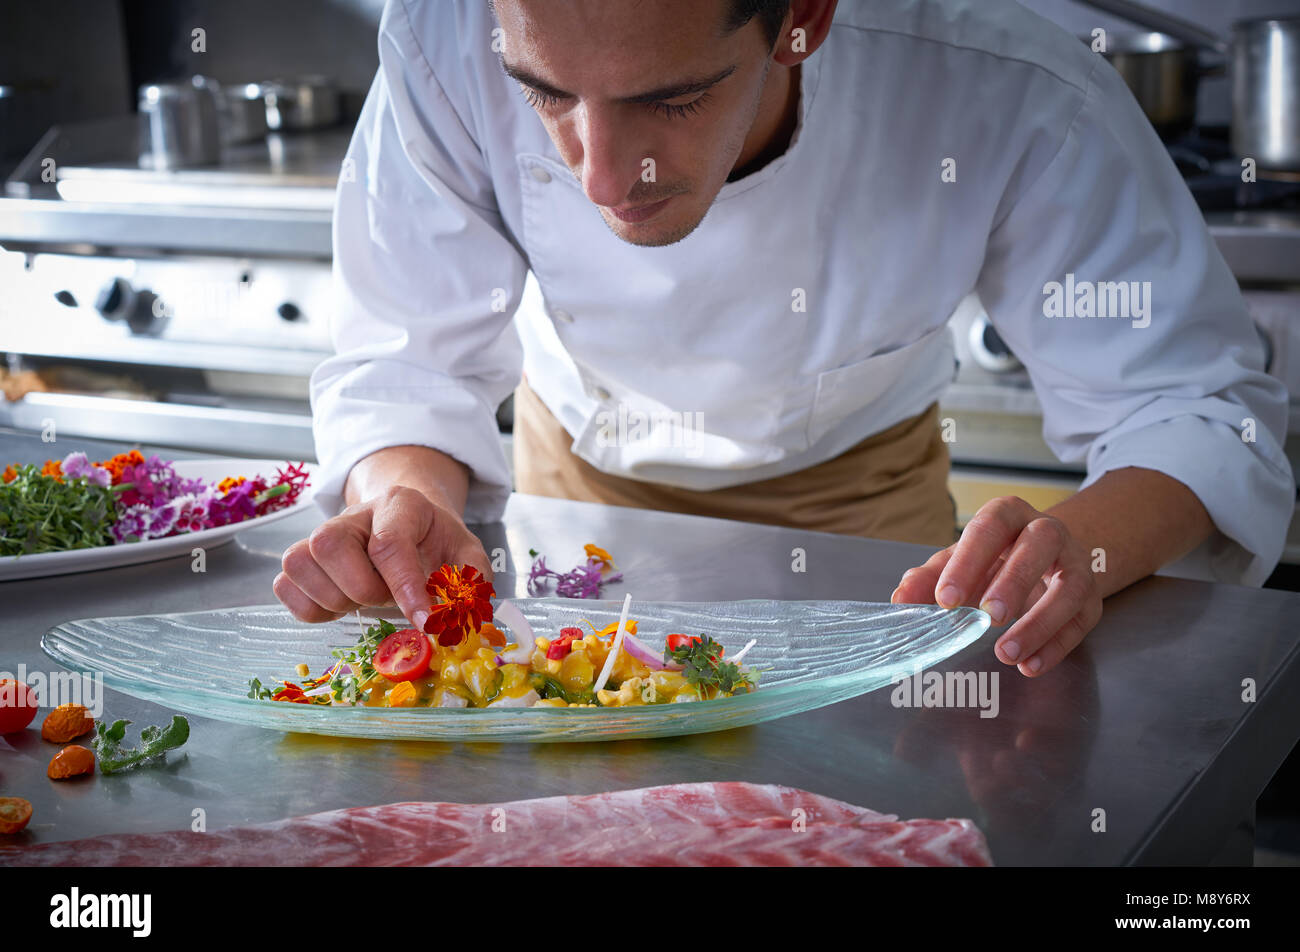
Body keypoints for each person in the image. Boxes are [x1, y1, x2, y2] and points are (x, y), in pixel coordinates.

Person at [275, 0, 1292, 678]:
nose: (598, 177)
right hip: (571, 526)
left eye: (669, 99)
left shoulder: (1002, 88)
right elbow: (406, 362)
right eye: (544, 94)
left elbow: (1192, 409)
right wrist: (403, 496)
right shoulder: (443, 38)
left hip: (869, 544)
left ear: (800, 18)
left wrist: (1082, 544)